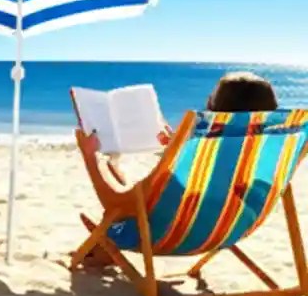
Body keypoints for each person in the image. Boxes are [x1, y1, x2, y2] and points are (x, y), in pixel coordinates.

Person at [76, 71, 278, 268]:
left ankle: (101, 252)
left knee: (118, 215)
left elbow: (113, 203)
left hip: (170, 237)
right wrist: (179, 149)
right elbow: (222, 171)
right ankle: (101, 251)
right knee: (126, 183)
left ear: (212, 106)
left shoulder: (195, 163)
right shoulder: (267, 150)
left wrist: (89, 156)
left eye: (212, 96)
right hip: (231, 230)